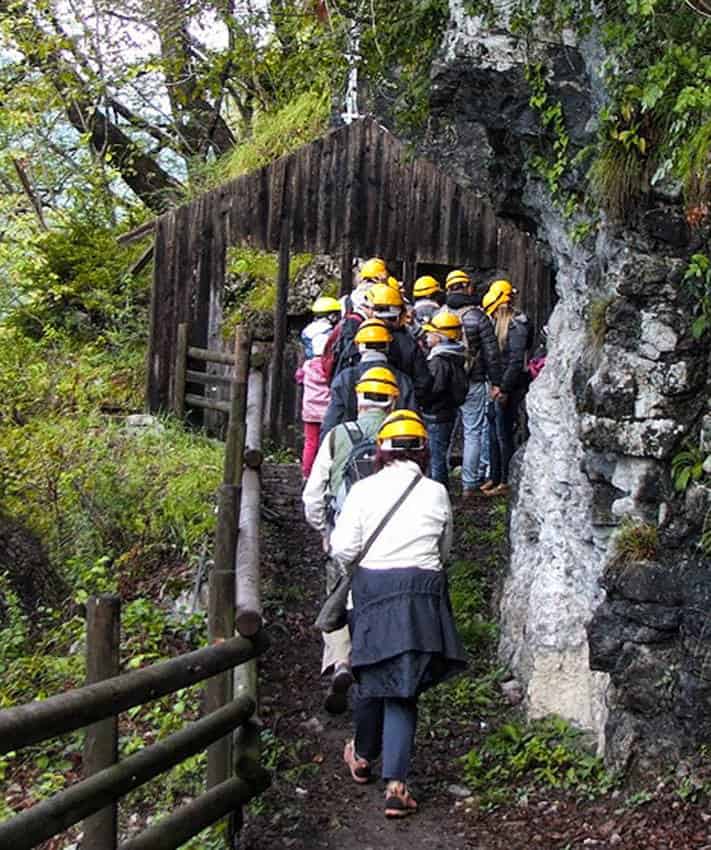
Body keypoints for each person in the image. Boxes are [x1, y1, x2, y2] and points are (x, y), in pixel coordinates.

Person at [329, 409, 466, 817]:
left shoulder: (363, 491)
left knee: (371, 674)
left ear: (381, 450)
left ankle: (362, 756)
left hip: (372, 592)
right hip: (422, 596)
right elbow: (444, 551)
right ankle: (396, 785)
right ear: (423, 451)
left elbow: (343, 550)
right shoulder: (437, 492)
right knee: (404, 689)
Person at [303, 368, 400, 713]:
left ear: (358, 398)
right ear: (393, 399)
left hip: (344, 535)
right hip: (389, 540)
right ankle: (375, 659)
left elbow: (313, 494)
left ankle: (342, 661)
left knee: (337, 598)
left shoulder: (337, 436)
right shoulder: (401, 436)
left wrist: (323, 532)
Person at [444, 269, 503, 499]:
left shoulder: (442, 312)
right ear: (468, 287)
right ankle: (469, 483)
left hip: (446, 381)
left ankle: (440, 473)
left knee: (444, 429)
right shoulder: (478, 317)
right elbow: (491, 353)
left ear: (449, 288)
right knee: (473, 432)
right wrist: (496, 382)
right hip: (473, 381)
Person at [320, 318, 417, 437]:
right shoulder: (403, 380)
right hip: (392, 446)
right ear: (388, 344)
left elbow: (331, 423)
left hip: (349, 445)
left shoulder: (344, 378)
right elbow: (412, 421)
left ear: (358, 345)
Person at [481, 281, 532, 497]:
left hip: (509, 387)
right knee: (494, 430)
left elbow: (515, 361)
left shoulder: (516, 327)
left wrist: (503, 388)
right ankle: (494, 475)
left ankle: (505, 480)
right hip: (498, 385)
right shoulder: (502, 327)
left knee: (504, 434)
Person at [419, 311, 468, 487]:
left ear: (440, 337)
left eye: (430, 333)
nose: (426, 336)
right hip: (447, 411)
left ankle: (438, 489)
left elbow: (435, 388)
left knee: (436, 458)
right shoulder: (455, 355)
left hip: (436, 414)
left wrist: (421, 399)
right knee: (440, 454)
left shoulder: (439, 361)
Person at [364, 283, 432, 405]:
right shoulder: (408, 344)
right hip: (400, 408)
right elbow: (423, 382)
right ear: (399, 314)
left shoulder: (362, 338)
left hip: (364, 405)